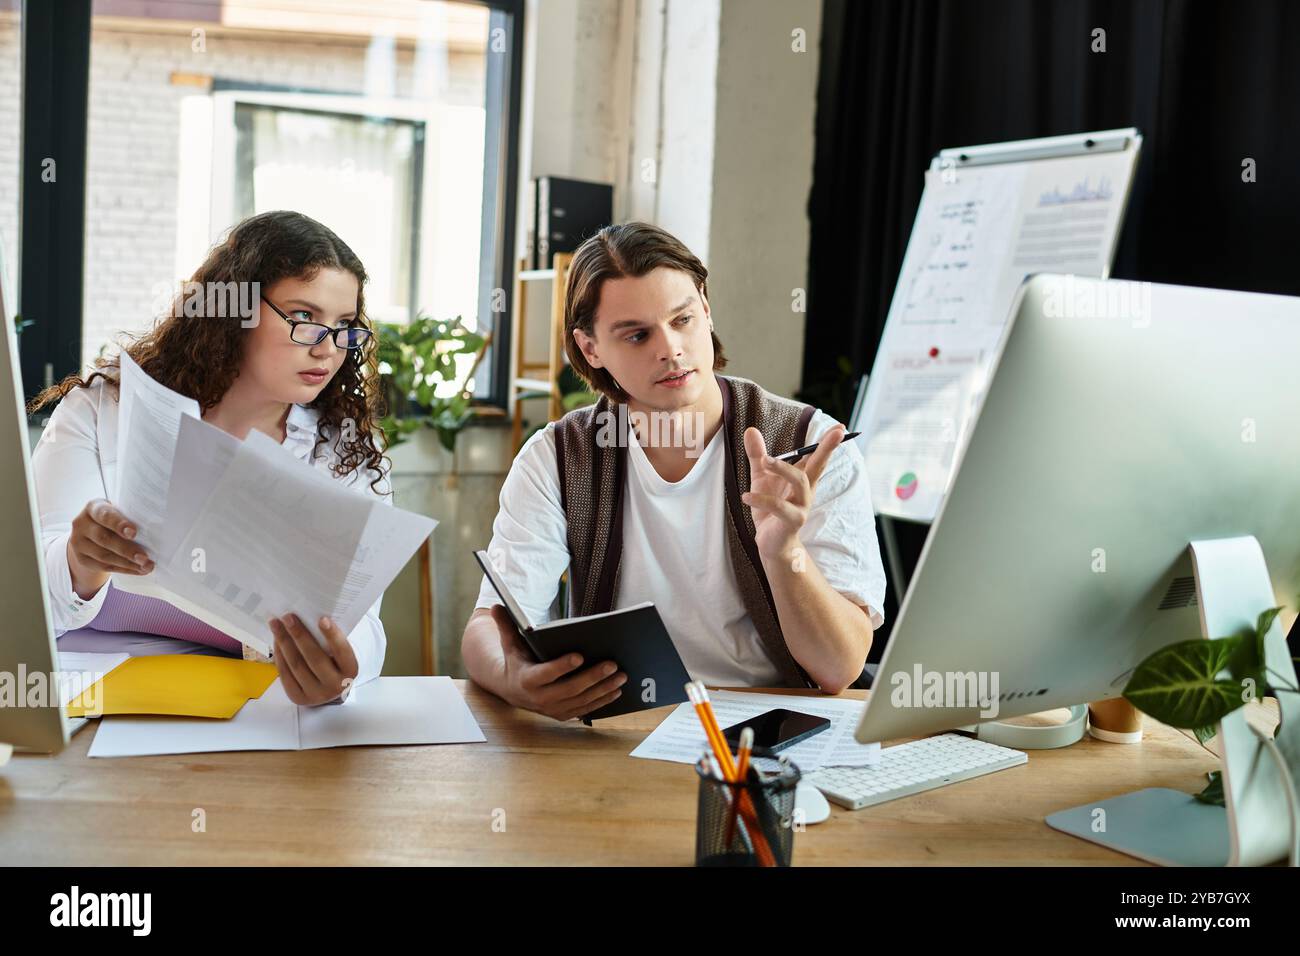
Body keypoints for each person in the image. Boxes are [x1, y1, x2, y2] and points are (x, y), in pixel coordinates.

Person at [462, 221, 887, 721]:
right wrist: (514, 681)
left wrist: (784, 553)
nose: (670, 349)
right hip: (622, 730)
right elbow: (489, 626)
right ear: (591, 348)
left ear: (705, 309)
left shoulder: (812, 446)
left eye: (682, 319)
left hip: (770, 736)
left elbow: (840, 667)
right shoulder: (558, 456)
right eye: (638, 334)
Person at [29, 210, 391, 705]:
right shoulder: (101, 412)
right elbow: (23, 601)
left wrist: (342, 669)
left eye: (344, 324)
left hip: (250, 710)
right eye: (304, 318)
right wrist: (77, 561)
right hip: (83, 699)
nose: (328, 349)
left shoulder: (346, 454)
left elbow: (364, 624)